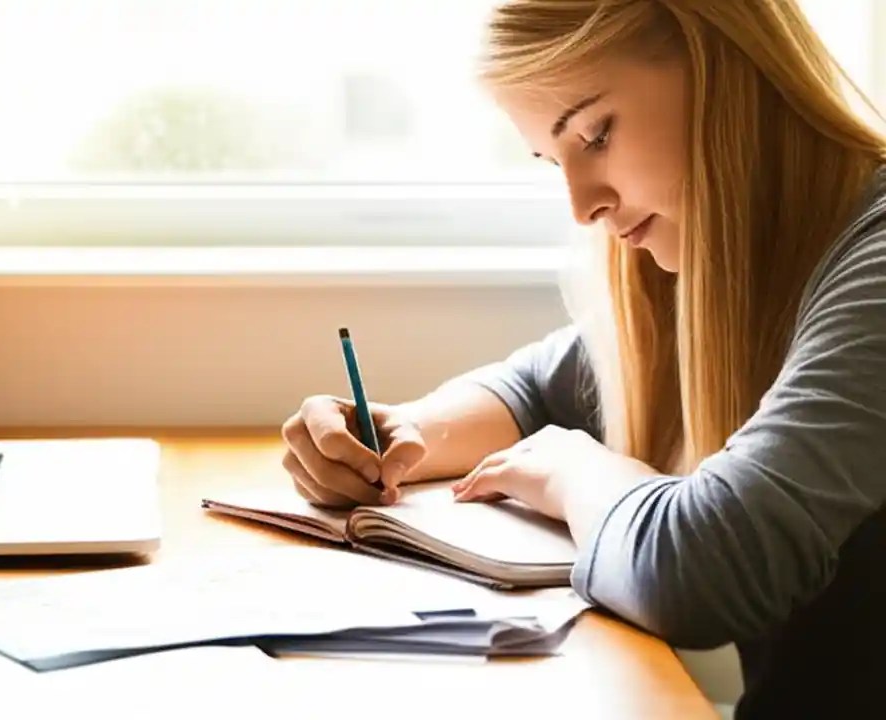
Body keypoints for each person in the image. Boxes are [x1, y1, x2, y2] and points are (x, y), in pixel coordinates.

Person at [279, 1, 886, 717]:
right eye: (551, 159)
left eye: (595, 135)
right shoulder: (748, 259)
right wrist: (392, 436)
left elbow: (701, 571)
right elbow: (538, 387)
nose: (580, 204)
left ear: (729, 65)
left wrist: (571, 469)